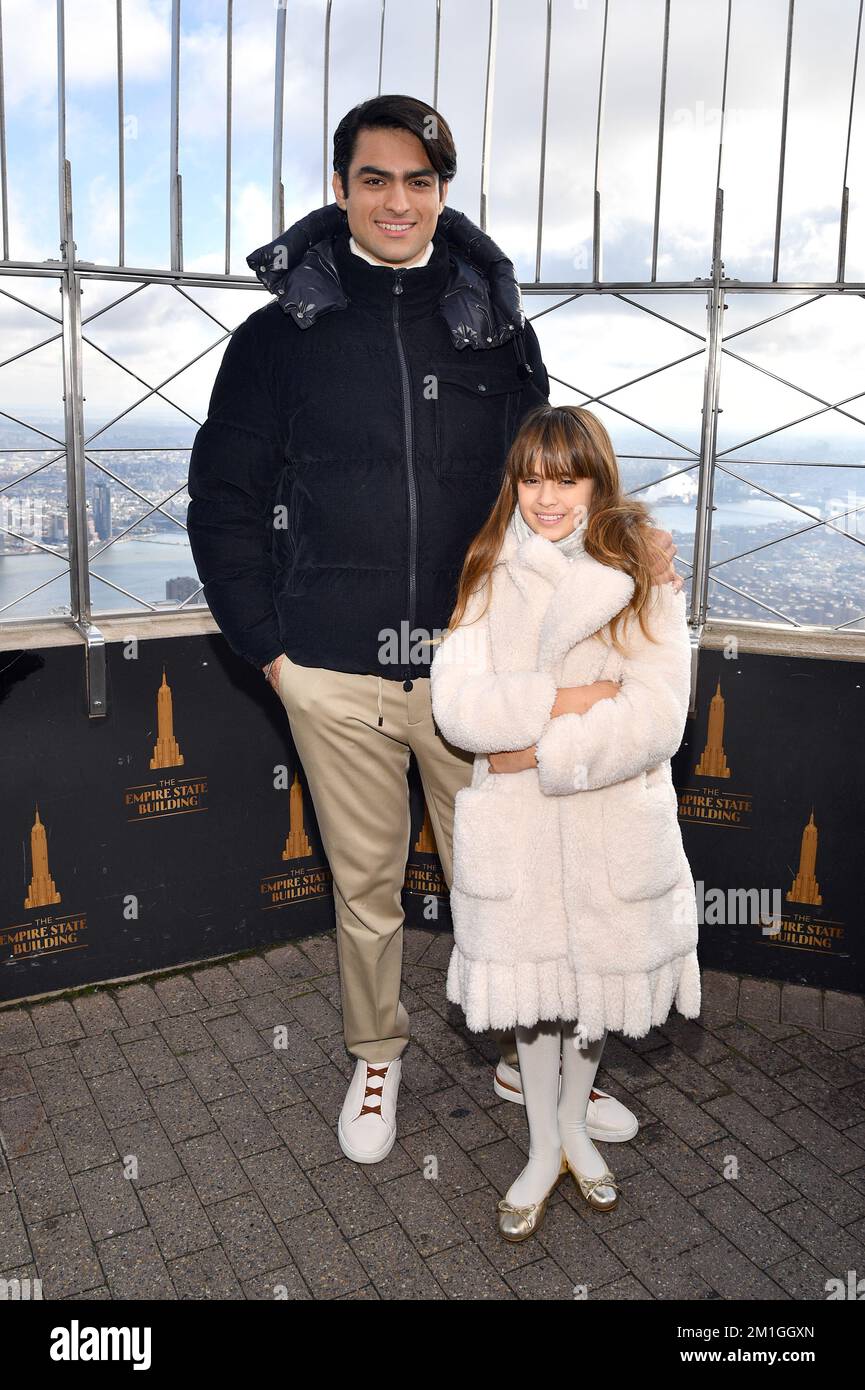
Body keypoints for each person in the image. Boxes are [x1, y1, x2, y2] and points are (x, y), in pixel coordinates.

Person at [186, 93, 681, 1167]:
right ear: (340, 189)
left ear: (443, 193)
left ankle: (528, 1057)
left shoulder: (497, 332)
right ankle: (376, 1053)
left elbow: (547, 489)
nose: (397, 200)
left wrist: (630, 540)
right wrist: (271, 651)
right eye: (375, 179)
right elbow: (221, 500)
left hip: (479, 677)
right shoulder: (277, 339)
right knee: (365, 888)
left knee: (508, 882)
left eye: (419, 181)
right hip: (328, 669)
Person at [429, 404, 700, 1240]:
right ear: (514, 481)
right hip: (515, 832)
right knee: (533, 993)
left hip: (604, 823)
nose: (547, 498)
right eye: (532, 477)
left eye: (566, 477)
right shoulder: (486, 568)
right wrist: (571, 698)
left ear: (596, 479)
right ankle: (542, 1144)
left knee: (591, 995)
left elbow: (659, 714)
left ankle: (576, 1127)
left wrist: (539, 755)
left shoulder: (642, 570)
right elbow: (458, 706)